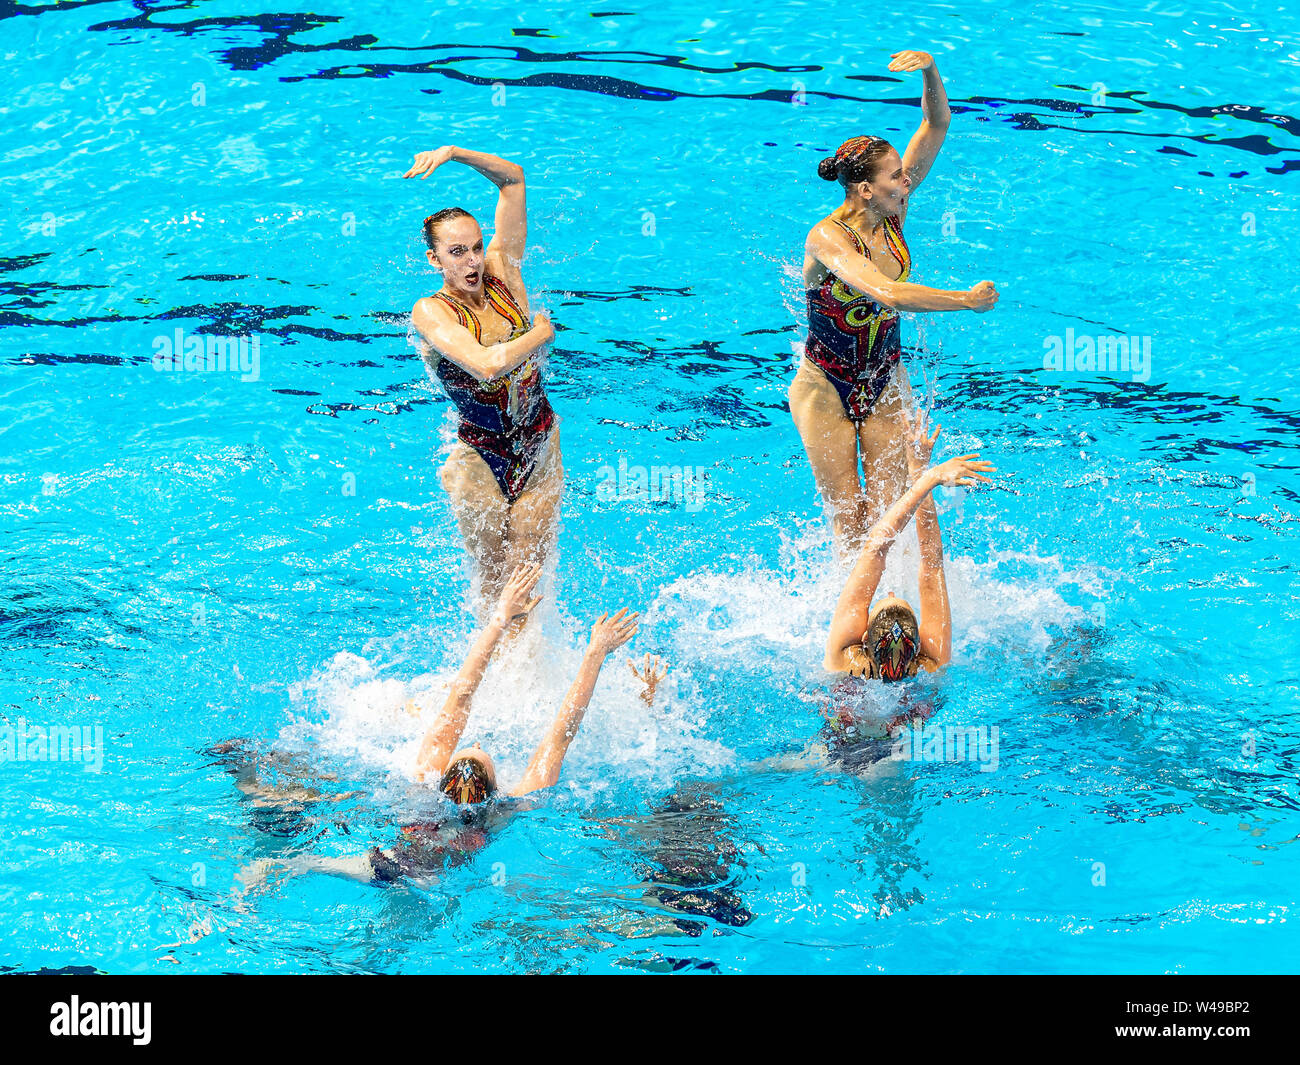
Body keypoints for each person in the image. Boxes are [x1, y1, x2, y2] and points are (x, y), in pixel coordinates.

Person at [235, 564, 659, 887]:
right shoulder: (508, 809)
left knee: (302, 845)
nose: (475, 738)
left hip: (388, 863)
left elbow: (461, 695)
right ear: (492, 784)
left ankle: (263, 831)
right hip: (420, 878)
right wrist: (594, 654)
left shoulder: (423, 779)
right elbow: (562, 732)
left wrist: (500, 619)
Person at [790, 48, 1000, 556]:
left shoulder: (892, 210)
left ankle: (894, 611)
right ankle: (852, 626)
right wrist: (964, 301)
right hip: (826, 386)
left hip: (884, 377)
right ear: (865, 189)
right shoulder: (828, 238)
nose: (907, 182)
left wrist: (929, 69)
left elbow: (936, 123)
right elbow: (885, 292)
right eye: (895, 177)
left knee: (890, 514)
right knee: (849, 519)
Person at [405, 146, 562, 623]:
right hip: (479, 460)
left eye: (475, 246)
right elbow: (486, 365)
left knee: (527, 588)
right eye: (457, 252)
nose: (473, 260)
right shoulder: (430, 311)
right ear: (435, 260)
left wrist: (452, 153)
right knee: (495, 592)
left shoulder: (503, 272)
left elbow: (513, 179)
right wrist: (538, 334)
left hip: (539, 445)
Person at [824, 409, 994, 683]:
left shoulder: (843, 659)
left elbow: (877, 547)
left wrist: (928, 478)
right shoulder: (930, 666)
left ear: (864, 638)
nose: (889, 589)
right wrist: (920, 471)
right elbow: (931, 563)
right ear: (917, 649)